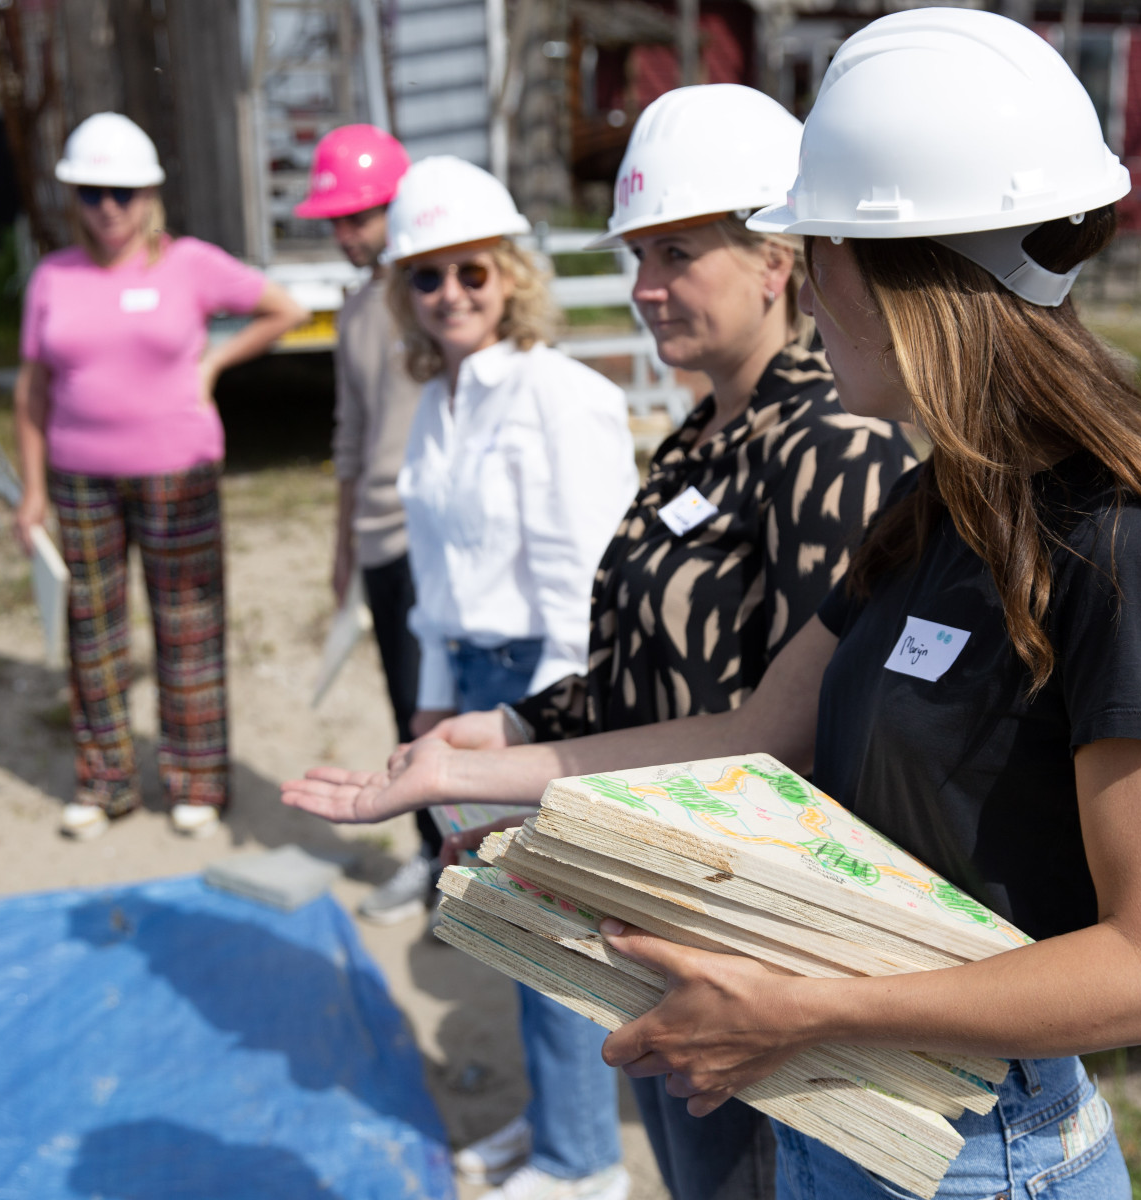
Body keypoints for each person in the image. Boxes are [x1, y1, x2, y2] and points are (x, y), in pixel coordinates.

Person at [284, 12, 1141, 1200]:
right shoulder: (941, 505)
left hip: (975, 1150)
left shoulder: (1116, 548)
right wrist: (469, 779)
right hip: (837, 1109)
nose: (807, 285)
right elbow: (752, 734)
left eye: (817, 253)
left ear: (903, 278)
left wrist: (798, 1009)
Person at [423, 85, 918, 1200]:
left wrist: (523, 781)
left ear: (775, 262)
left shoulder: (832, 447)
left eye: (677, 253)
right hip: (651, 899)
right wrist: (513, 723)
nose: (645, 288)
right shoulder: (701, 436)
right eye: (638, 255)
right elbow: (643, 673)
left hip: (748, 938)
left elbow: (810, 742)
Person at [384, 154, 639, 1200]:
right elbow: (436, 575)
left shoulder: (559, 395)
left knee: (554, 924)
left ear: (511, 275)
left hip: (543, 683)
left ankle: (587, 1162)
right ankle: (555, 1124)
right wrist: (434, 704)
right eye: (426, 277)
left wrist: (530, 724)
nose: (450, 296)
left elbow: (586, 589)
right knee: (507, 919)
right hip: (470, 675)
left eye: (471, 273)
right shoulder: (436, 406)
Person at [12, 113, 308, 841]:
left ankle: (197, 780)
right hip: (82, 478)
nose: (108, 209)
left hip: (179, 474)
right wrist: (32, 489)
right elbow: (33, 389)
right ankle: (105, 780)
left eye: (122, 192)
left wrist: (214, 363)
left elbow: (285, 308)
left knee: (189, 627)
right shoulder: (53, 276)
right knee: (93, 630)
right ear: (73, 199)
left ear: (149, 195)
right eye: (91, 193)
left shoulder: (191, 264)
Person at [297, 124, 441, 924]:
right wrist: (342, 541)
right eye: (338, 220)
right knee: (410, 707)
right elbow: (349, 436)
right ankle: (432, 856)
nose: (348, 234)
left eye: (362, 216)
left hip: (449, 536)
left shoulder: (437, 294)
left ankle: (483, 865)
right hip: (385, 540)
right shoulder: (354, 313)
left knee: (476, 710)